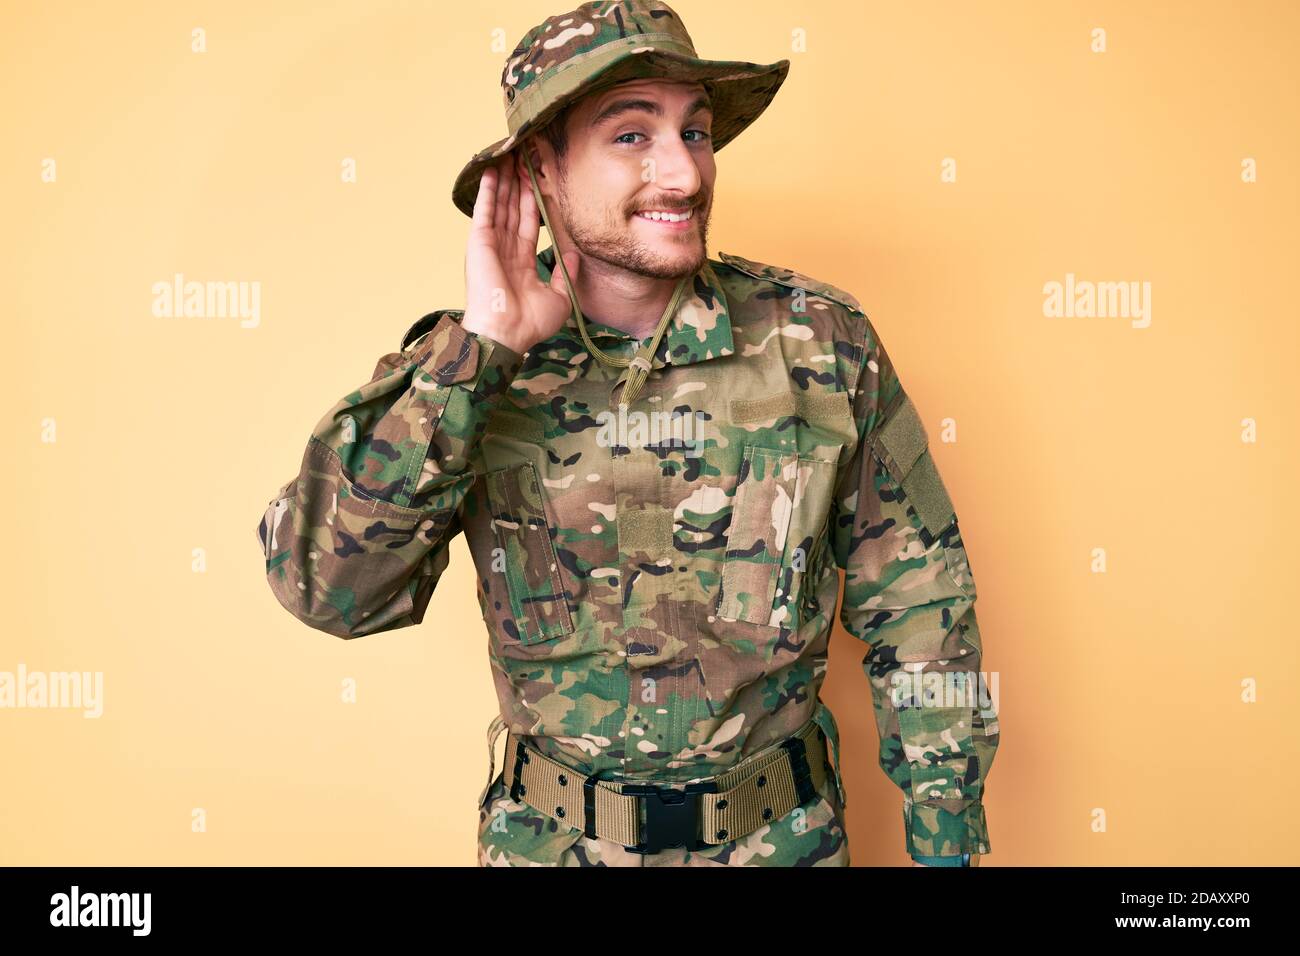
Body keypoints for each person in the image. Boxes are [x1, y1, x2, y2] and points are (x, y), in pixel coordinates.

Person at [255, 0, 999, 867]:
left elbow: (921, 603)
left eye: (696, 133)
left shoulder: (820, 344)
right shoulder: (464, 373)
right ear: (541, 165)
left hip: (782, 845)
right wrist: (480, 353)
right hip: (552, 846)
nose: (683, 176)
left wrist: (946, 843)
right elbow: (325, 587)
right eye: (631, 137)